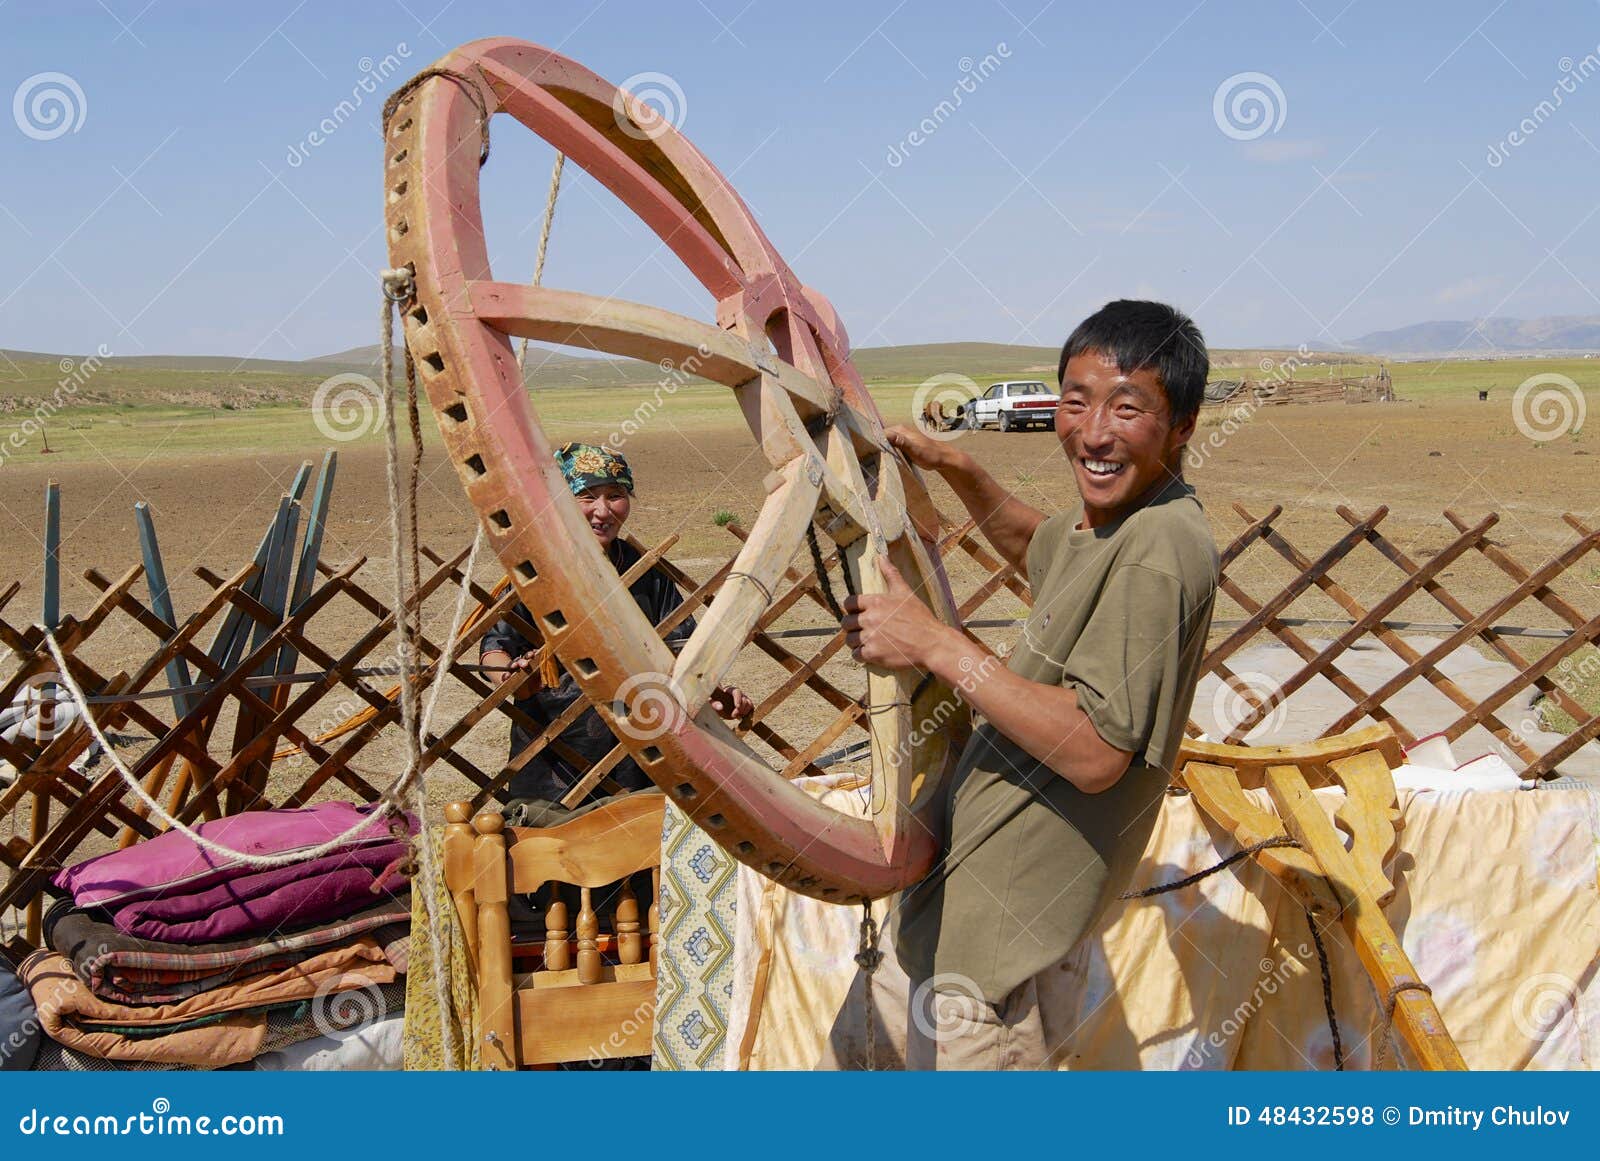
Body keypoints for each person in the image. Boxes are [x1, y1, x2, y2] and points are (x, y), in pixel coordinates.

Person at [842, 300, 1219, 1069]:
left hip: (997, 962)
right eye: (1076, 401)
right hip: (963, 917)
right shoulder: (1118, 522)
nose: (1095, 432)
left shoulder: (1158, 547)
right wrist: (964, 472)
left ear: (1181, 425)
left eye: (1128, 407)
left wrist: (934, 643)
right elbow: (1042, 545)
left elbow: (1094, 750)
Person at [480, 442, 753, 817]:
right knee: (556, 856)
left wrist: (713, 694)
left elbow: (682, 649)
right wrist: (512, 678)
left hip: (643, 749)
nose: (603, 511)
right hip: (553, 751)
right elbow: (496, 645)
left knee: (638, 854)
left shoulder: (645, 571)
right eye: (586, 497)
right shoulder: (535, 570)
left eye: (616, 495)